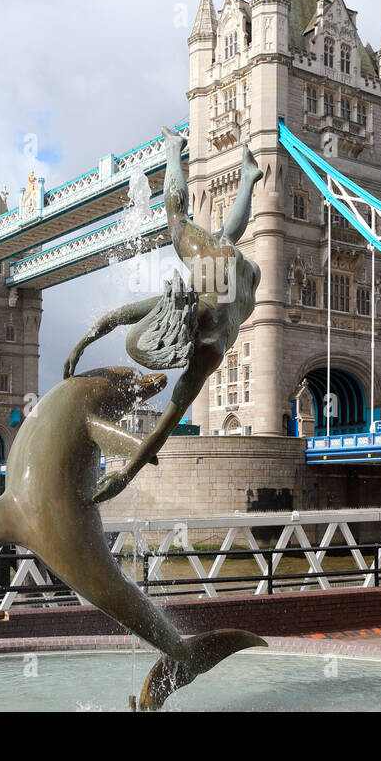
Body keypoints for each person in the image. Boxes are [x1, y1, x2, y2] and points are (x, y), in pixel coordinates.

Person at [63, 126, 262, 503]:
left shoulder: (207, 354)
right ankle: (185, 154)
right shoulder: (194, 301)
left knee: (199, 232)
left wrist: (125, 475)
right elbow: (122, 316)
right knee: (189, 227)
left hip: (246, 290)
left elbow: (164, 428)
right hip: (231, 275)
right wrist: (82, 343)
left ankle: (216, 165)